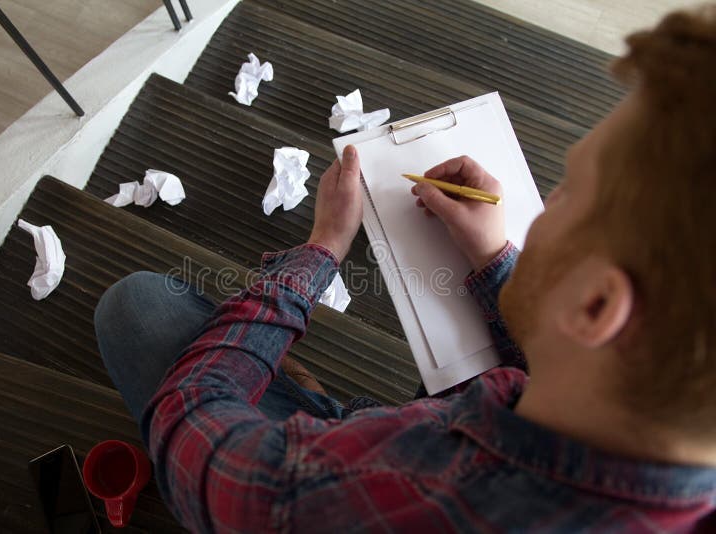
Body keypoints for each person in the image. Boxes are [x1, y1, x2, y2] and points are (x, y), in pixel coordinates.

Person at [94, 6, 716, 532]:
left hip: (333, 472)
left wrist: (321, 250)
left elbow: (195, 445)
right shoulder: (665, 431)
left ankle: (313, 404)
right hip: (424, 426)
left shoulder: (424, 489)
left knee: (134, 309)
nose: (545, 201)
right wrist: (493, 256)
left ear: (597, 306)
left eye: (571, 193)